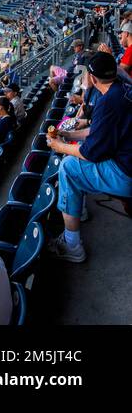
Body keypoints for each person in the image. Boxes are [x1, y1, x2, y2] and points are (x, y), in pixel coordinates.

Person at [46, 51, 132, 263]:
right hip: (126, 161)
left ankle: (72, 245)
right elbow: (98, 130)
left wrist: (59, 146)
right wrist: (68, 135)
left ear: (93, 78)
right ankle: (78, 210)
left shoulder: (107, 101)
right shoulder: (122, 89)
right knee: (76, 156)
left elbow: (90, 153)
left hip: (125, 174)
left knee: (68, 167)